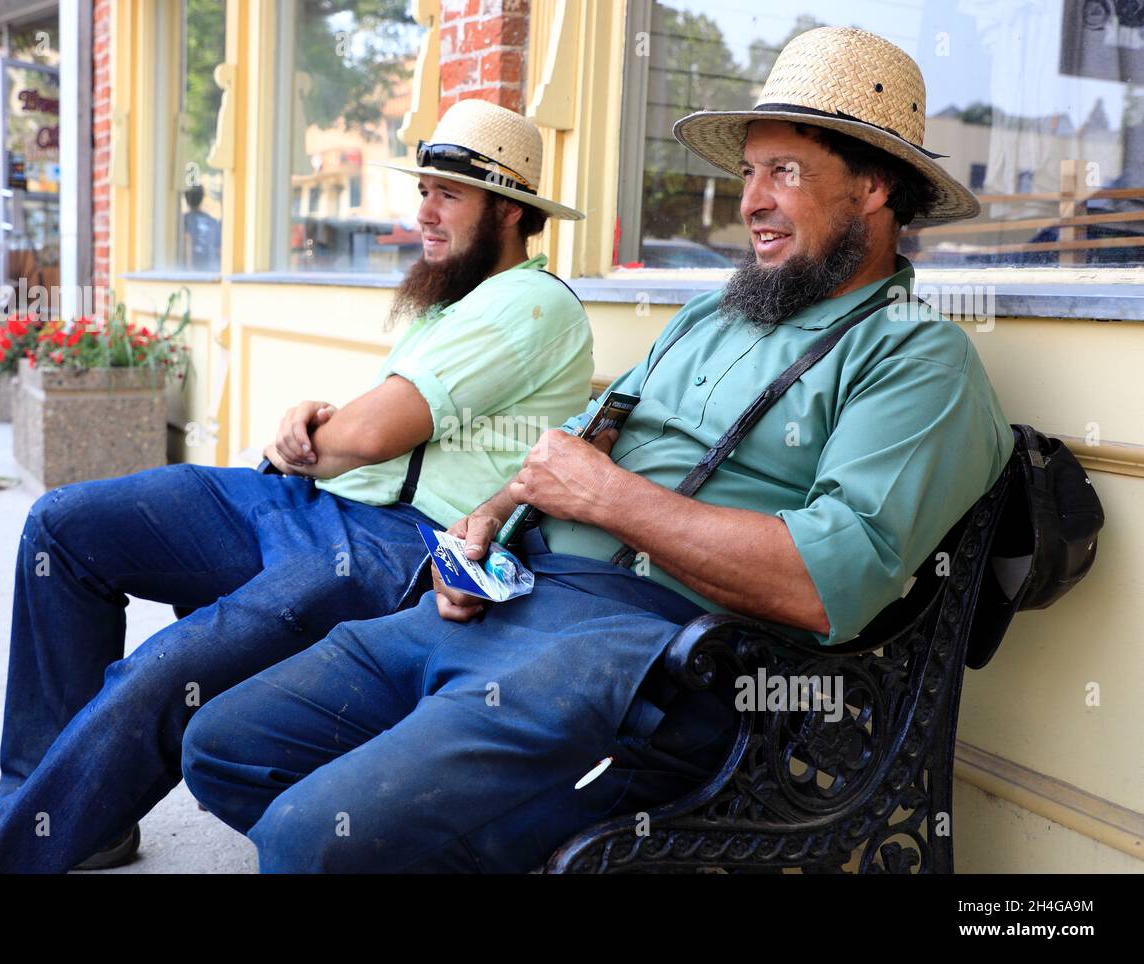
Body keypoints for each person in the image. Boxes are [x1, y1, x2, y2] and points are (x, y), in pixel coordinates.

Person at [181, 26, 1017, 873]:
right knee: (221, 744)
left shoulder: (916, 357)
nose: (752, 201)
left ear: (874, 186)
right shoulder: (711, 316)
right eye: (749, 172)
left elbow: (823, 584)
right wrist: (487, 523)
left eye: (785, 173)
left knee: (309, 837)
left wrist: (606, 498)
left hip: (661, 664)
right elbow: (581, 448)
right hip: (515, 599)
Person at [0, 99, 593, 873]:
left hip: (392, 545)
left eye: (448, 194)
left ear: (507, 211)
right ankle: (55, 814)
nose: (424, 210)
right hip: (303, 503)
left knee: (162, 674)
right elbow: (374, 425)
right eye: (424, 188)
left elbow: (370, 436)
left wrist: (319, 438)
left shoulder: (531, 303)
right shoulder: (454, 298)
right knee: (65, 525)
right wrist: (318, 421)